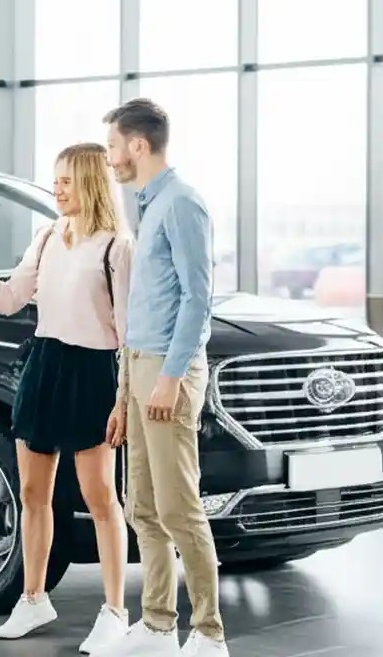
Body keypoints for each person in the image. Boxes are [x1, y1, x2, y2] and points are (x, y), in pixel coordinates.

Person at [0, 143, 134, 655]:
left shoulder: (118, 247)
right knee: (33, 495)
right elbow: (10, 298)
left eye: (65, 180)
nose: (56, 189)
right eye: (55, 180)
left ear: (89, 183)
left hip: (93, 372)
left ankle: (115, 613)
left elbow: (131, 334)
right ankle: (34, 597)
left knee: (101, 499)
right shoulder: (47, 237)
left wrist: (123, 401)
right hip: (44, 365)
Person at [94, 99, 229, 657]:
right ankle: (155, 626)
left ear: (138, 146)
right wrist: (125, 395)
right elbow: (144, 313)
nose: (109, 158)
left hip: (170, 373)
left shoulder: (182, 205)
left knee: (179, 507)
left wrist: (170, 379)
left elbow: (199, 301)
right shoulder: (149, 207)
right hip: (142, 368)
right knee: (142, 506)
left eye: (112, 147)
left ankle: (208, 632)